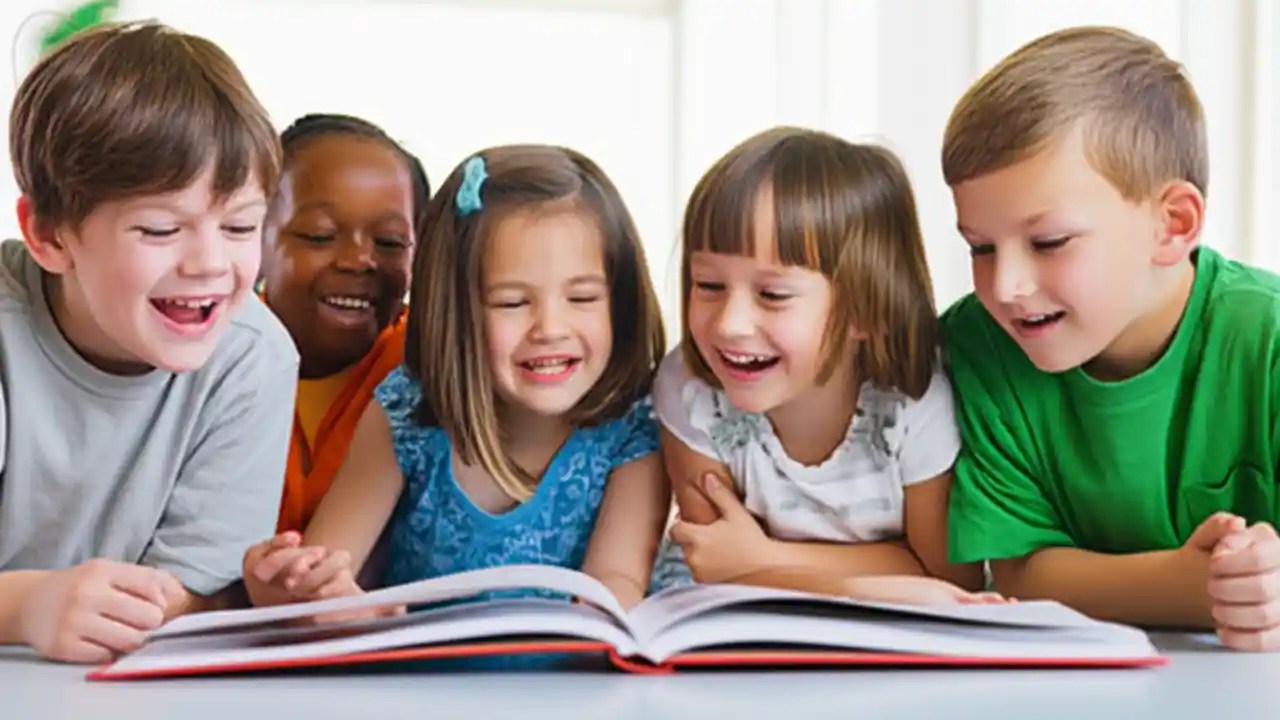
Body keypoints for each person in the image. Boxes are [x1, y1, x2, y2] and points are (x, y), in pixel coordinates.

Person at [941, 26, 1280, 650]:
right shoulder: (976, 348)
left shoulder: (1268, 339)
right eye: (980, 247)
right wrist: (1192, 585)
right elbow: (1017, 575)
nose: (1008, 286)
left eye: (1049, 242)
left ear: (1172, 225)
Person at [245, 145, 669, 612]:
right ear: (456, 313)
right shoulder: (406, 415)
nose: (550, 328)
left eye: (583, 298)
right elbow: (322, 572)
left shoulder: (634, 428)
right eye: (512, 303)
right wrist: (312, 590)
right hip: (410, 679)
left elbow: (615, 583)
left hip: (577, 682)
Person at [0, 22, 295, 663]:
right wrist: (24, 608)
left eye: (241, 224)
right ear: (49, 236)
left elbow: (193, 596)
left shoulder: (252, 358)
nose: (210, 263)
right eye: (160, 229)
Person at [649, 127, 992, 604]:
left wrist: (767, 558)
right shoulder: (691, 387)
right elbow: (712, 558)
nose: (729, 324)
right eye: (708, 285)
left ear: (866, 310)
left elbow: (950, 577)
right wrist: (886, 577)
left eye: (772, 294)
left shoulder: (915, 403)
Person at [258, 113, 430, 534]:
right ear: (253, 235)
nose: (357, 261)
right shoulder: (207, 358)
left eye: (389, 242)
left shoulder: (430, 371)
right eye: (319, 235)